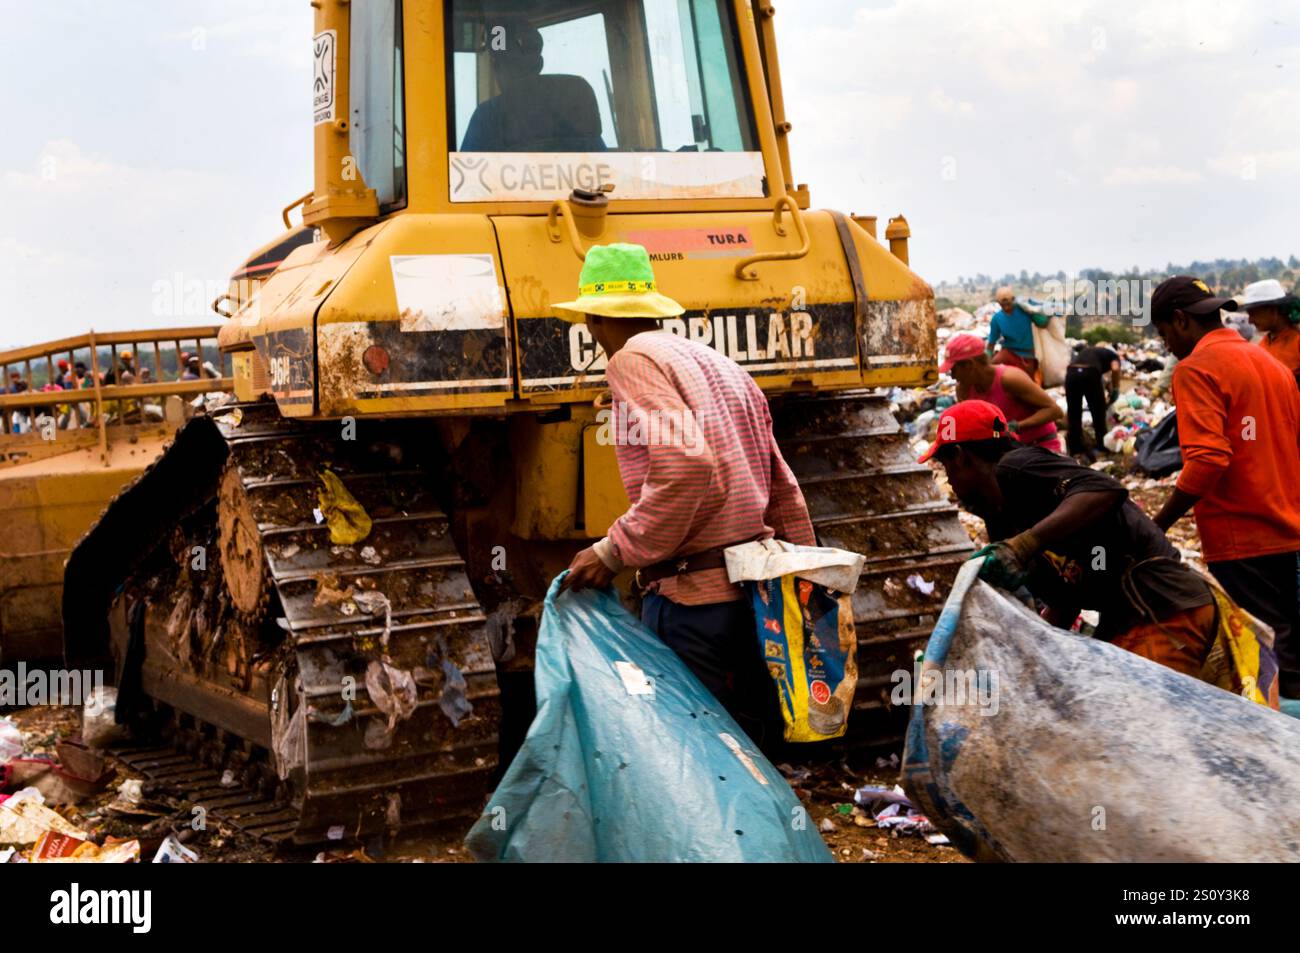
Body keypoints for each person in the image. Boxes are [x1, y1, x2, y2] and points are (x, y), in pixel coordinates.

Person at [556, 243, 816, 745]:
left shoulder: (631, 361)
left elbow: (687, 463)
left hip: (692, 600)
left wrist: (614, 551)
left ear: (592, 318)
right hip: (755, 596)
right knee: (749, 744)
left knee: (696, 751)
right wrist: (800, 574)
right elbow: (781, 480)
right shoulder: (716, 362)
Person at [920, 400, 1273, 692]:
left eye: (945, 465)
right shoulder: (1002, 515)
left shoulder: (1016, 468)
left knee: (1134, 727)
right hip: (1131, 618)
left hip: (1162, 608)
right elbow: (1065, 596)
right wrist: (1035, 649)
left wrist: (1025, 544)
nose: (948, 480)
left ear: (962, 457)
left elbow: (1107, 489)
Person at [1149, 276, 1300, 699]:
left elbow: (1208, 459)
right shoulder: (1273, 365)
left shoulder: (1196, 369)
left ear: (1180, 321)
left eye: (1164, 335)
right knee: (1287, 642)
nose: (1167, 347)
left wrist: (1158, 524)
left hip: (1241, 536)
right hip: (1288, 527)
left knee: (1260, 657)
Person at [942, 333, 1063, 453]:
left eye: (954, 370)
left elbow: (1054, 411)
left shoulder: (1009, 379)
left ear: (969, 365)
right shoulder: (963, 391)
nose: (952, 376)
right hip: (1010, 451)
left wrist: (1016, 426)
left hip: (1040, 446)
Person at [1064, 344, 1122, 460]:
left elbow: (1105, 379)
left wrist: (1109, 389)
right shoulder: (1114, 356)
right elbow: (1115, 369)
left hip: (1071, 373)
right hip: (1090, 373)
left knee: (1074, 412)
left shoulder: (1091, 351)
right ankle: (1102, 446)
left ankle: (1075, 449)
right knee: (1098, 412)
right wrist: (1116, 389)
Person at [1240, 278, 1300, 386]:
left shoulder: (1297, 342)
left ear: (1273, 310)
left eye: (1253, 314)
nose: (1250, 320)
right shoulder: (1263, 344)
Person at [987, 286, 1040, 378]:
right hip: (1009, 351)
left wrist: (1033, 312)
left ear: (1013, 300)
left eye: (1008, 303)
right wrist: (986, 361)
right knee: (993, 368)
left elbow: (1042, 323)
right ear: (998, 303)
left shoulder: (1024, 310)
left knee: (1027, 381)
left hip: (1027, 354)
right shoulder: (997, 318)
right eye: (1003, 305)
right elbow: (991, 342)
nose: (1006, 307)